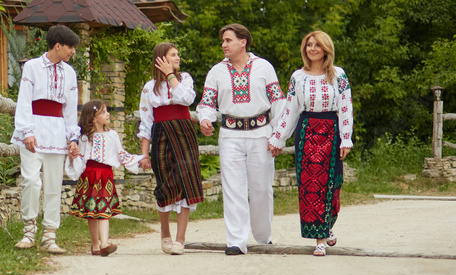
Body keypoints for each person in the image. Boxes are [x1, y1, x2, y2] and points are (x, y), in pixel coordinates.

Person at [196, 24, 286, 255]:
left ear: (243, 41)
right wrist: (205, 119)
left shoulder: (264, 67)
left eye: (228, 40)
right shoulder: (216, 71)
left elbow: (278, 102)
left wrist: (279, 136)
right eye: (223, 41)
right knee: (233, 188)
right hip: (230, 135)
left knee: (261, 188)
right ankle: (236, 241)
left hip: (261, 134)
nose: (223, 45)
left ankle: (263, 237)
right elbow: (207, 102)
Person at [267, 31, 353, 257]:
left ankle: (328, 225)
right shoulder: (298, 77)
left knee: (332, 184)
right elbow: (291, 109)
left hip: (331, 131)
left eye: (317, 45)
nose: (312, 48)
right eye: (308, 45)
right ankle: (320, 240)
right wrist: (278, 138)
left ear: (326, 49)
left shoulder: (339, 75)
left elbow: (345, 108)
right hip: (307, 132)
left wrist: (346, 138)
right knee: (311, 187)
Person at [11, 24, 81, 254]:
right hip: (34, 127)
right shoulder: (32, 67)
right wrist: (27, 130)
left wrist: (73, 137)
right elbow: (24, 100)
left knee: (53, 184)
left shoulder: (70, 73)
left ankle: (49, 236)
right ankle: (29, 232)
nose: (73, 52)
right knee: (31, 180)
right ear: (58, 46)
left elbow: (70, 109)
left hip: (57, 130)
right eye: (70, 47)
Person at [137, 43, 204, 256]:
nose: (177, 58)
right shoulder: (149, 87)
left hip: (184, 133)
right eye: (173, 55)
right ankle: (165, 233)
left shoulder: (184, 79)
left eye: (177, 54)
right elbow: (146, 122)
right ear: (161, 59)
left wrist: (171, 76)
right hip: (161, 133)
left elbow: (187, 99)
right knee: (165, 183)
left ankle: (180, 239)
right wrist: (144, 154)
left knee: (186, 182)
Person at [66, 100, 143, 256]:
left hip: (105, 177)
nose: (108, 114)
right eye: (103, 112)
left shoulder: (112, 135)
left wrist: (138, 160)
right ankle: (96, 245)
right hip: (89, 176)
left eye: (107, 111)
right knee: (92, 210)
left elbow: (121, 154)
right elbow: (79, 157)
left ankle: (104, 243)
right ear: (93, 118)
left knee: (103, 209)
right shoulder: (84, 138)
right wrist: (73, 158)